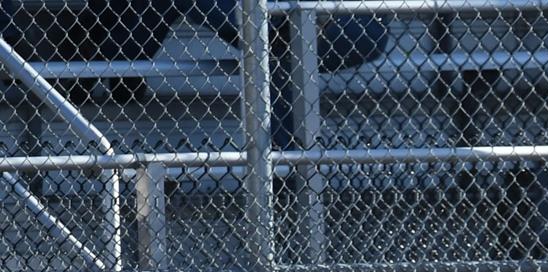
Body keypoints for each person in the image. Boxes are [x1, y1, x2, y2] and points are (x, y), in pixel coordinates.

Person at [0, 0, 389, 151]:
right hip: (288, 22)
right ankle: (99, 72)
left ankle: (93, 73)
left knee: (278, 39)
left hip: (352, 23)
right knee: (279, 45)